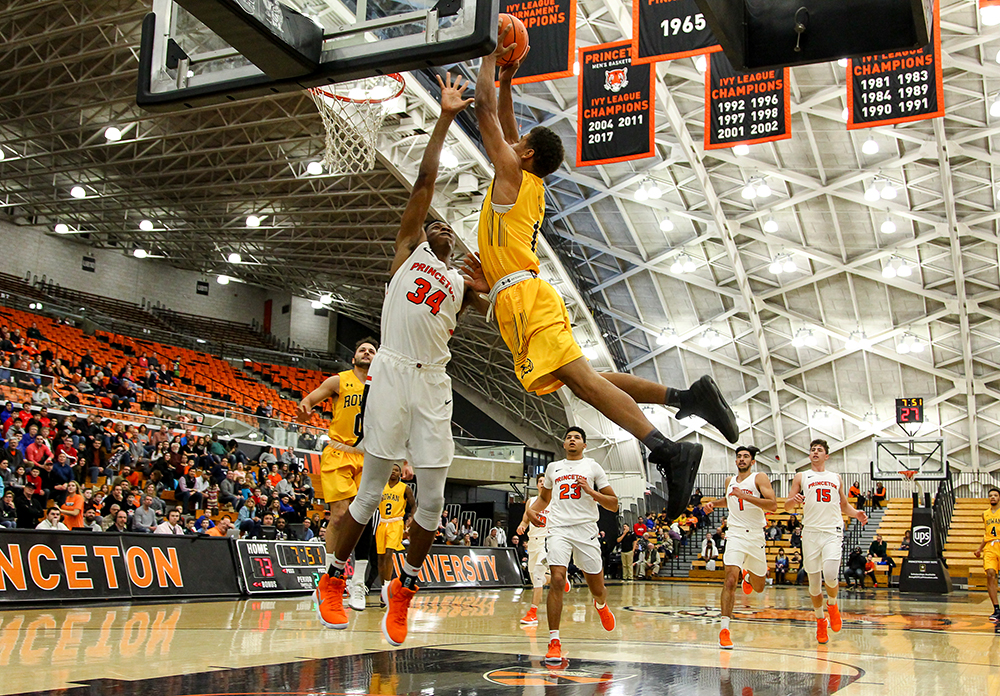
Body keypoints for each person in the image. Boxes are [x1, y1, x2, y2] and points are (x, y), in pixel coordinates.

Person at [468, 26, 738, 521]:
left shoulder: (513, 177)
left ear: (523, 155)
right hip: (516, 297)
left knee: (584, 384)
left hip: (527, 299)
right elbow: (505, 125)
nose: (511, 142)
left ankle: (666, 449)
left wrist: (487, 50)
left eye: (518, 143)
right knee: (584, 378)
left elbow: (485, 112)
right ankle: (685, 397)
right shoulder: (521, 177)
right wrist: (508, 78)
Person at [313, 73, 489, 647]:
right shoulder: (408, 249)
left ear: (458, 249)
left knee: (433, 502)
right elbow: (427, 178)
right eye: (434, 221)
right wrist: (444, 117)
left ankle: (404, 592)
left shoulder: (464, 286)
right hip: (390, 369)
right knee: (369, 491)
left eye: (448, 227)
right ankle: (333, 581)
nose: (440, 223)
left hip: (434, 383)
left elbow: (505, 275)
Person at [298, 337, 379, 612]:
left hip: (368, 456)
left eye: (371, 351)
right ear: (354, 357)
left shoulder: (382, 385)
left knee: (364, 519)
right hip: (339, 452)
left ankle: (358, 582)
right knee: (340, 516)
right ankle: (330, 578)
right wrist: (305, 411)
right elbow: (309, 400)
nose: (367, 353)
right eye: (362, 350)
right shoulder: (338, 381)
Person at [527, 426, 618, 665]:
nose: (572, 440)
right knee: (557, 578)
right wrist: (529, 511)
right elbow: (544, 499)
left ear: (584, 445)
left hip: (586, 529)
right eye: (568, 438)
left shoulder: (592, 467)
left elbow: (614, 504)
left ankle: (601, 605)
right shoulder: (552, 468)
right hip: (558, 529)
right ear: (564, 444)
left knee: (597, 587)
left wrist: (590, 491)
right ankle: (554, 641)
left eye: (577, 437)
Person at [785, 439, 868, 644]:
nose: (815, 452)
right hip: (811, 532)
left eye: (819, 450)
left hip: (832, 531)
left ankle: (832, 604)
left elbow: (844, 505)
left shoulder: (835, 477)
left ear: (826, 456)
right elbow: (787, 506)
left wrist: (856, 513)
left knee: (831, 575)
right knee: (814, 585)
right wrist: (793, 502)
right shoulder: (801, 476)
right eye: (812, 449)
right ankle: (820, 620)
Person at [702, 445, 777, 648]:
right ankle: (724, 629)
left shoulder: (759, 478)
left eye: (746, 456)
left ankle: (748, 576)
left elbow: (772, 505)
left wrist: (745, 496)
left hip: (755, 536)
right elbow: (730, 500)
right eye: (739, 456)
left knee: (759, 587)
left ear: (752, 461)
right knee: (729, 580)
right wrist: (713, 505)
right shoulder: (730, 481)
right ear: (736, 461)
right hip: (734, 533)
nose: (742, 459)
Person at [516, 473, 552, 625]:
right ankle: (560, 580)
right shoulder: (531, 502)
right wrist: (521, 526)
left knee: (537, 574)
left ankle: (532, 613)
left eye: (545, 481)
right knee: (535, 578)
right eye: (540, 481)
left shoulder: (554, 502)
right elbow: (525, 520)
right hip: (533, 542)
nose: (542, 483)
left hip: (547, 542)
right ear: (537, 484)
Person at [375, 463, 415, 591]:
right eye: (391, 469)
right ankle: (383, 586)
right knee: (380, 557)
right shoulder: (381, 487)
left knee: (388, 553)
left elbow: (413, 505)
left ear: (400, 473)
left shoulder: (405, 488)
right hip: (382, 522)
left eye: (396, 470)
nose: (393, 472)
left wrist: (411, 518)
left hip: (396, 522)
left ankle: (387, 584)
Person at [973, 486, 1000, 623]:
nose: (993, 497)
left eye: (995, 495)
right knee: (990, 573)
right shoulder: (985, 514)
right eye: (991, 495)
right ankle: (996, 609)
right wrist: (979, 549)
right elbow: (987, 533)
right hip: (990, 546)